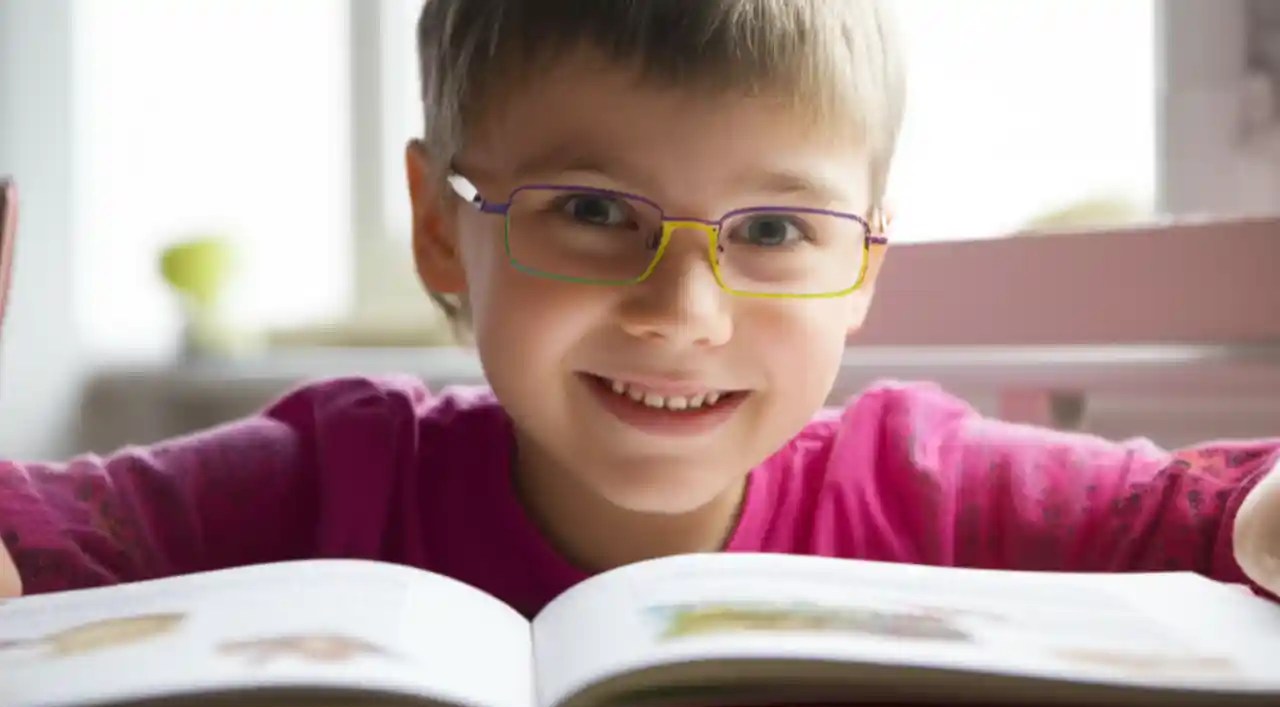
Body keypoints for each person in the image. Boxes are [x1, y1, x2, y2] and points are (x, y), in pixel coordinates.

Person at [1, 0, 1278, 619]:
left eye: (773, 231)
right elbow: (42, 537)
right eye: (596, 213)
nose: (682, 312)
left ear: (867, 267)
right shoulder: (330, 474)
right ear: (444, 229)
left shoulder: (922, 486)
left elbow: (1213, 515)